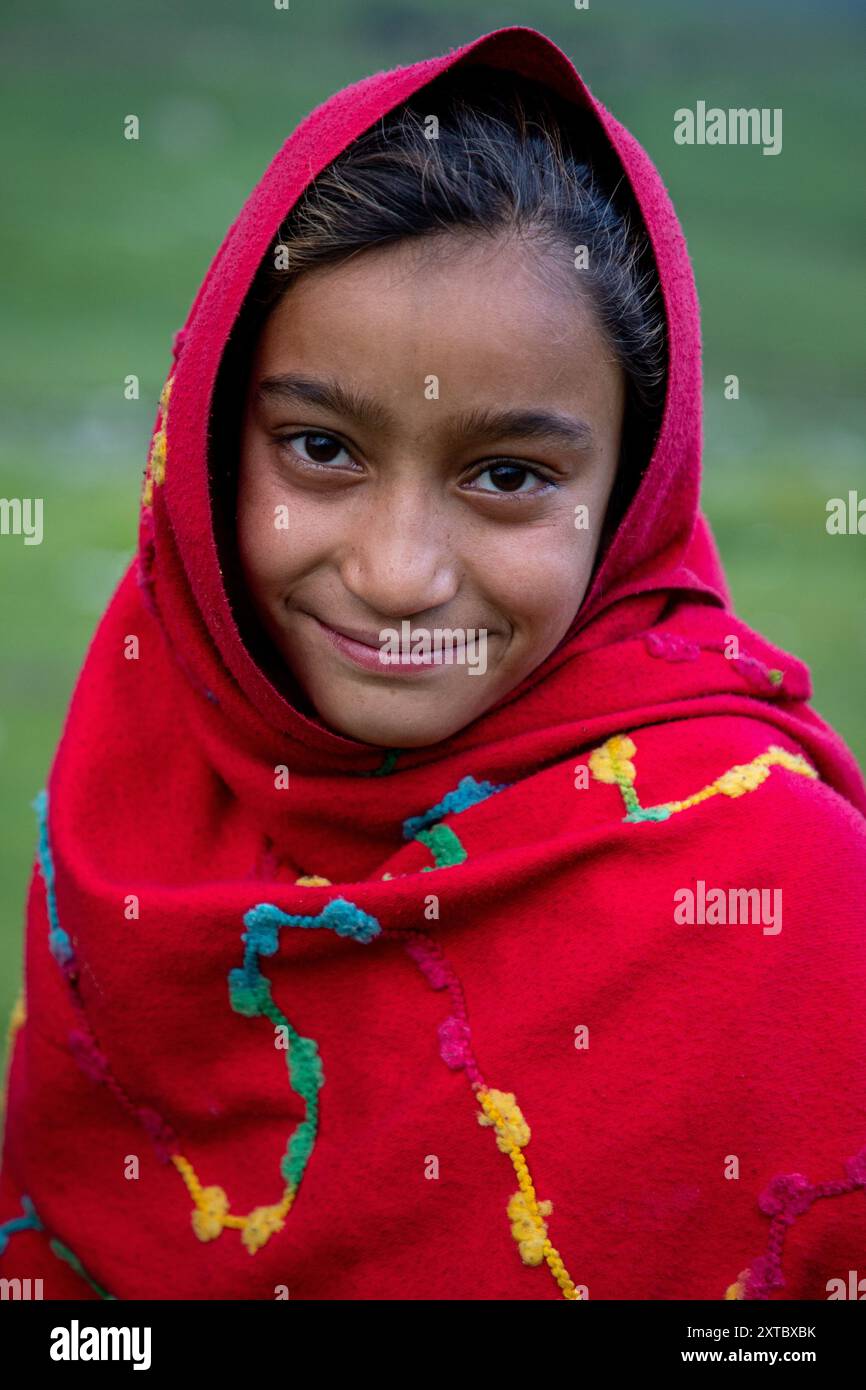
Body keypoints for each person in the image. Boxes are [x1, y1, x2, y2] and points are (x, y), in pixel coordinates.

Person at [1, 24, 864, 1302]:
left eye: (507, 475)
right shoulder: (146, 772)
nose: (399, 573)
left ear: (632, 490)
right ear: (206, 433)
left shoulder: (789, 896)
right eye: (320, 450)